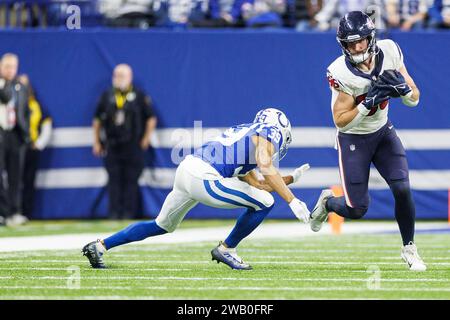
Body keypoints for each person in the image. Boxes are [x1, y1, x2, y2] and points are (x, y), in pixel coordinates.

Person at [83, 108, 311, 270]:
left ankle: (100, 246)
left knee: (162, 225)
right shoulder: (268, 131)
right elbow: (265, 164)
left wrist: (290, 179)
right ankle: (227, 249)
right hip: (204, 175)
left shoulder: (245, 136)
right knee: (266, 202)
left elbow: (259, 184)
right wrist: (291, 200)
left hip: (188, 170)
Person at [310, 11, 426, 271]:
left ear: (371, 38)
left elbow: (415, 97)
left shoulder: (391, 51)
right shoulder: (340, 71)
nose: (357, 47)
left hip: (383, 132)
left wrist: (405, 92)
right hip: (354, 139)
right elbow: (340, 120)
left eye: (361, 40)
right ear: (343, 45)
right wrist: (367, 103)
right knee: (357, 209)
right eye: (351, 43)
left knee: (403, 189)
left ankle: (409, 248)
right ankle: (328, 202)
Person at [93, 64, 157, 220]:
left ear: (130, 77)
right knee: (114, 180)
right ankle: (114, 213)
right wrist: (96, 141)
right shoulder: (107, 95)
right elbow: (97, 120)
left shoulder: (139, 95)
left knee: (131, 180)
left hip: (133, 144)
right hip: (112, 144)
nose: (118, 79)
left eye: (122, 75)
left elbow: (151, 118)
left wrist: (146, 139)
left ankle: (128, 213)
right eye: (116, 75)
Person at [0, 53, 30, 227]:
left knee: (15, 176)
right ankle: (2, 212)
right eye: (7, 66)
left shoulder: (20, 86)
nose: (10, 70)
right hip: (0, 131)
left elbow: (25, 110)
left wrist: (25, 131)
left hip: (15, 134)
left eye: (13, 66)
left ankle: (14, 211)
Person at [18, 74, 53, 219]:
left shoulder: (35, 104)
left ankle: (26, 212)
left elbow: (46, 123)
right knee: (11, 181)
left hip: (30, 148)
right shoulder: (11, 102)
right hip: (14, 147)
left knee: (28, 181)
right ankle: (11, 211)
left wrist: (39, 144)